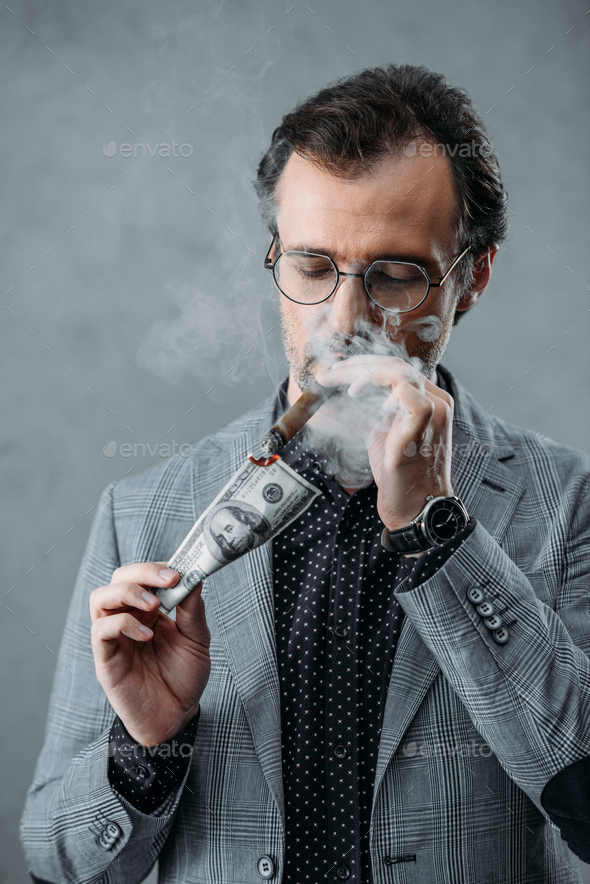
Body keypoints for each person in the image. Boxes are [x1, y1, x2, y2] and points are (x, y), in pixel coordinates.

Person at [21, 64, 590, 884]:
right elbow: (57, 861)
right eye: (314, 267)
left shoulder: (566, 504)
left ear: (472, 277)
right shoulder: (141, 512)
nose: (345, 322)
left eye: (396, 274)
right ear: (275, 257)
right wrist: (145, 748)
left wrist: (441, 535)